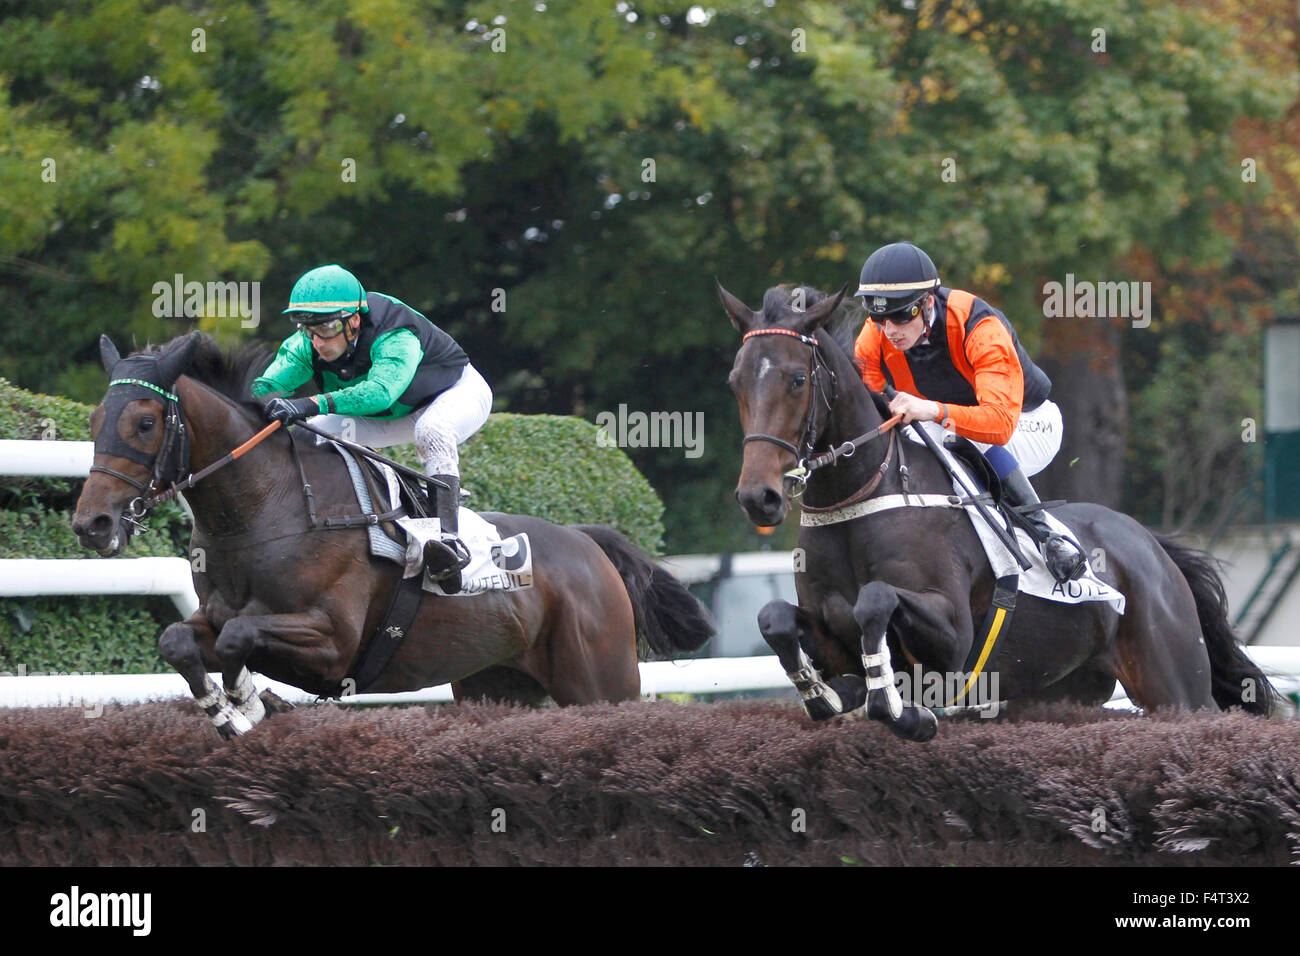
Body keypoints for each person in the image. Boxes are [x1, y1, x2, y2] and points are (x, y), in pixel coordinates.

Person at [852, 241, 1085, 583]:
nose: (890, 330)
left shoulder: (980, 328)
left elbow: (999, 425)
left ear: (927, 302)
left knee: (958, 439)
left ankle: (1049, 539)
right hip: (950, 421)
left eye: (902, 315)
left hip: (1028, 423)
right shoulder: (876, 336)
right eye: (879, 316)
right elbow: (872, 410)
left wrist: (930, 409)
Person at [251, 264, 492, 592]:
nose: (317, 340)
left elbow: (381, 392)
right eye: (307, 327)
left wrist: (311, 403)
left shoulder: (396, 334)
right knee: (308, 437)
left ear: (354, 320)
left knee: (431, 431)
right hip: (386, 414)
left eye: (326, 327)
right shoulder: (306, 344)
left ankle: (449, 543)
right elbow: (263, 388)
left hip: (453, 395)